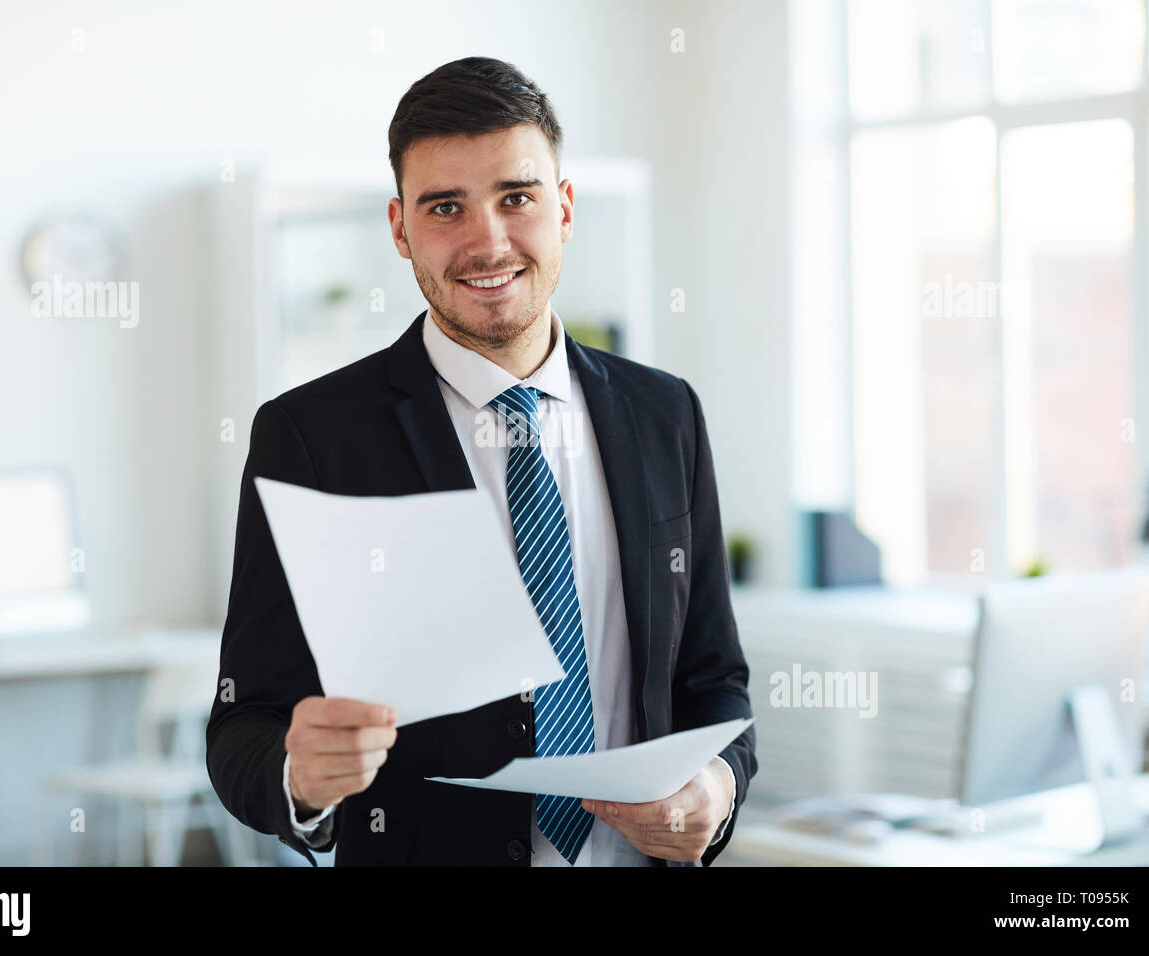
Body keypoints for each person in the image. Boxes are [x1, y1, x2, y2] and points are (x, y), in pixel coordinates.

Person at [206, 56, 757, 867]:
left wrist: (716, 788)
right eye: (445, 207)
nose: (487, 240)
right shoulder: (311, 436)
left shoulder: (665, 413)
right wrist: (302, 776)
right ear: (400, 229)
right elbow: (242, 720)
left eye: (517, 198)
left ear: (563, 208)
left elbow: (714, 680)